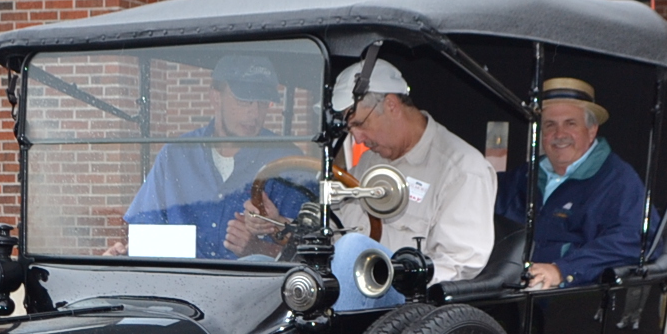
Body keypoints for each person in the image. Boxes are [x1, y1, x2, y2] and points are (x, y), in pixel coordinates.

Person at [327, 55, 496, 284]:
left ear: (391, 105)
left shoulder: (462, 170)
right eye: (350, 128)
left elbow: (458, 264)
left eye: (359, 124)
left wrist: (398, 278)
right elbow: (336, 222)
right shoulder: (370, 161)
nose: (356, 139)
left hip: (403, 306)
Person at [118, 55, 301, 259]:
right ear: (215, 97)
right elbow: (141, 233)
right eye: (244, 100)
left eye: (263, 103)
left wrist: (259, 248)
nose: (254, 112)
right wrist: (123, 254)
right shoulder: (175, 156)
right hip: (179, 285)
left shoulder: (289, 163)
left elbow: (311, 255)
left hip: (255, 288)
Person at [495, 78, 648, 290]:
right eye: (550, 125)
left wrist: (562, 270)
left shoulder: (619, 181)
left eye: (570, 123)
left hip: (572, 300)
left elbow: (633, 240)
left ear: (592, 130)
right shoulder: (523, 177)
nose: (559, 134)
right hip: (507, 288)